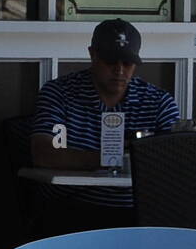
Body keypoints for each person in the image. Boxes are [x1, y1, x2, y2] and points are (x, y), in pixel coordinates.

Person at [29, 19, 180, 234]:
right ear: (93, 55)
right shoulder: (59, 93)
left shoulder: (158, 102)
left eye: (127, 63)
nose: (119, 70)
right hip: (71, 210)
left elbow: (178, 159)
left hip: (140, 213)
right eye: (110, 61)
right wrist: (114, 158)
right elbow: (43, 154)